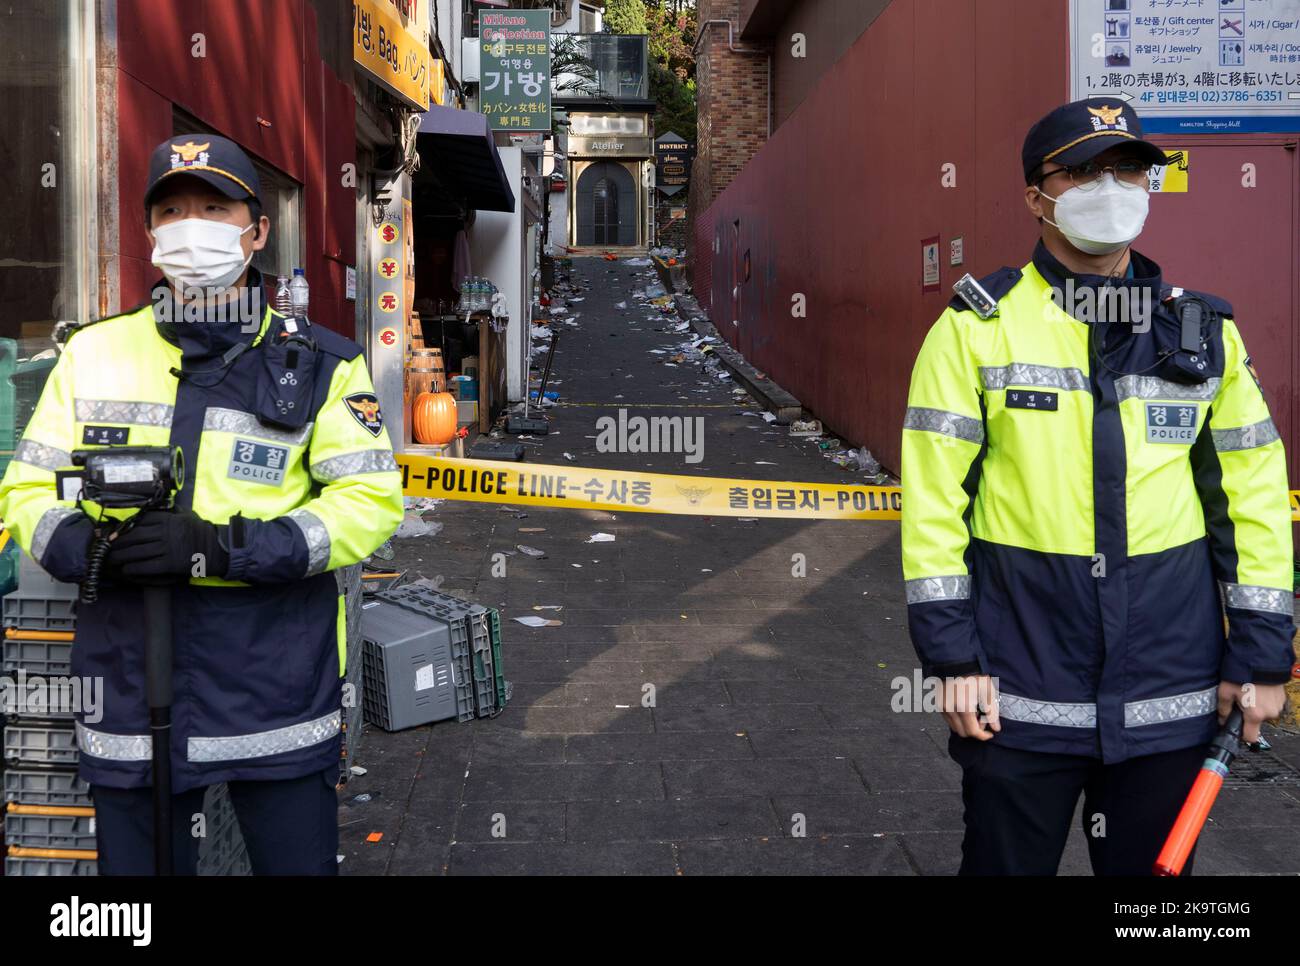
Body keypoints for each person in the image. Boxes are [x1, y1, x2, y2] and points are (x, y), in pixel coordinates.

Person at [900, 99, 1293, 875]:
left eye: (1127, 169)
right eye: (1082, 171)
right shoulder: (978, 328)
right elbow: (933, 506)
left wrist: (1261, 658)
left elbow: (1251, 499)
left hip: (1168, 692)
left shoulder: (1203, 334)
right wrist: (953, 661)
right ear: (1036, 195)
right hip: (1017, 692)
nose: (1109, 186)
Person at [0, 135, 405, 874]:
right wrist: (88, 549)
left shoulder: (323, 366)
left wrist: (227, 549)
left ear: (255, 232)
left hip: (273, 689)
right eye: (173, 210)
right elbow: (26, 488)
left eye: (214, 209)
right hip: (129, 686)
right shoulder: (92, 354)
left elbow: (370, 504)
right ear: (151, 234)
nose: (193, 228)